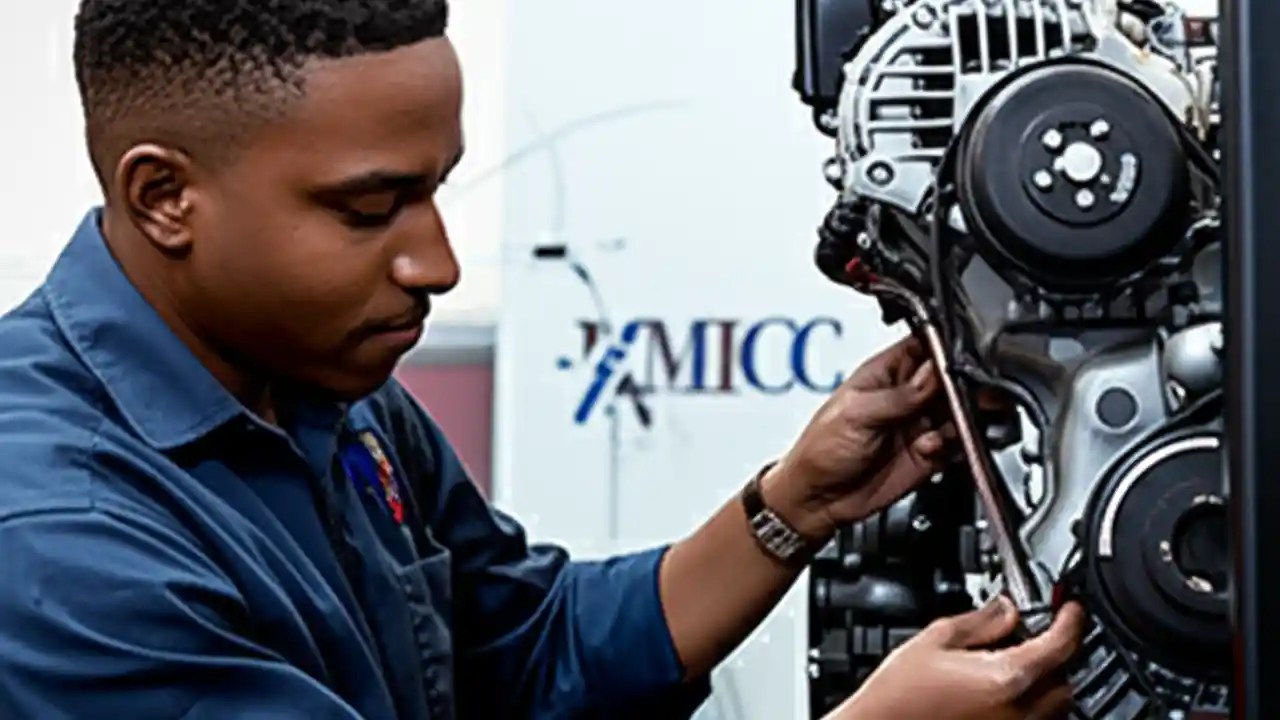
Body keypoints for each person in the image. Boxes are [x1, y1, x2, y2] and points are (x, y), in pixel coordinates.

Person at [0, 1, 1085, 718]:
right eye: (371, 208)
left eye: (436, 190)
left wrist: (794, 505)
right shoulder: (61, 548)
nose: (433, 260)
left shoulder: (327, 391)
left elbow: (528, 649)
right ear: (163, 197)